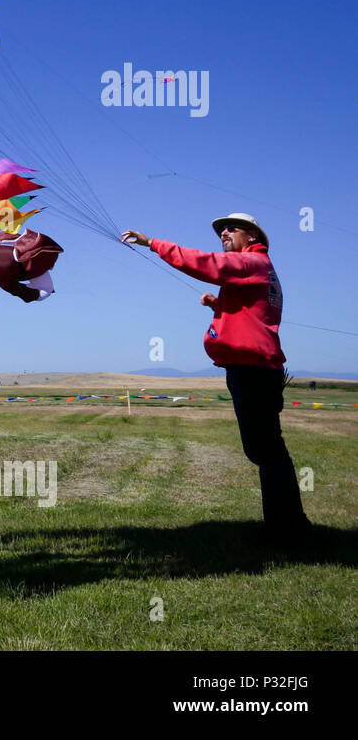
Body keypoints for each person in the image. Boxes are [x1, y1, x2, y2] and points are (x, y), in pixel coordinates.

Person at [123, 214, 311, 546]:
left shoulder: (251, 262)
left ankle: (288, 530)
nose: (223, 232)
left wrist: (153, 244)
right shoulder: (258, 267)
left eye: (230, 228)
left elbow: (208, 265)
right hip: (254, 370)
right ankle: (286, 524)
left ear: (251, 235)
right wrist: (218, 305)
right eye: (220, 229)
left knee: (266, 451)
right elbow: (252, 315)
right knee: (265, 449)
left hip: (252, 371)